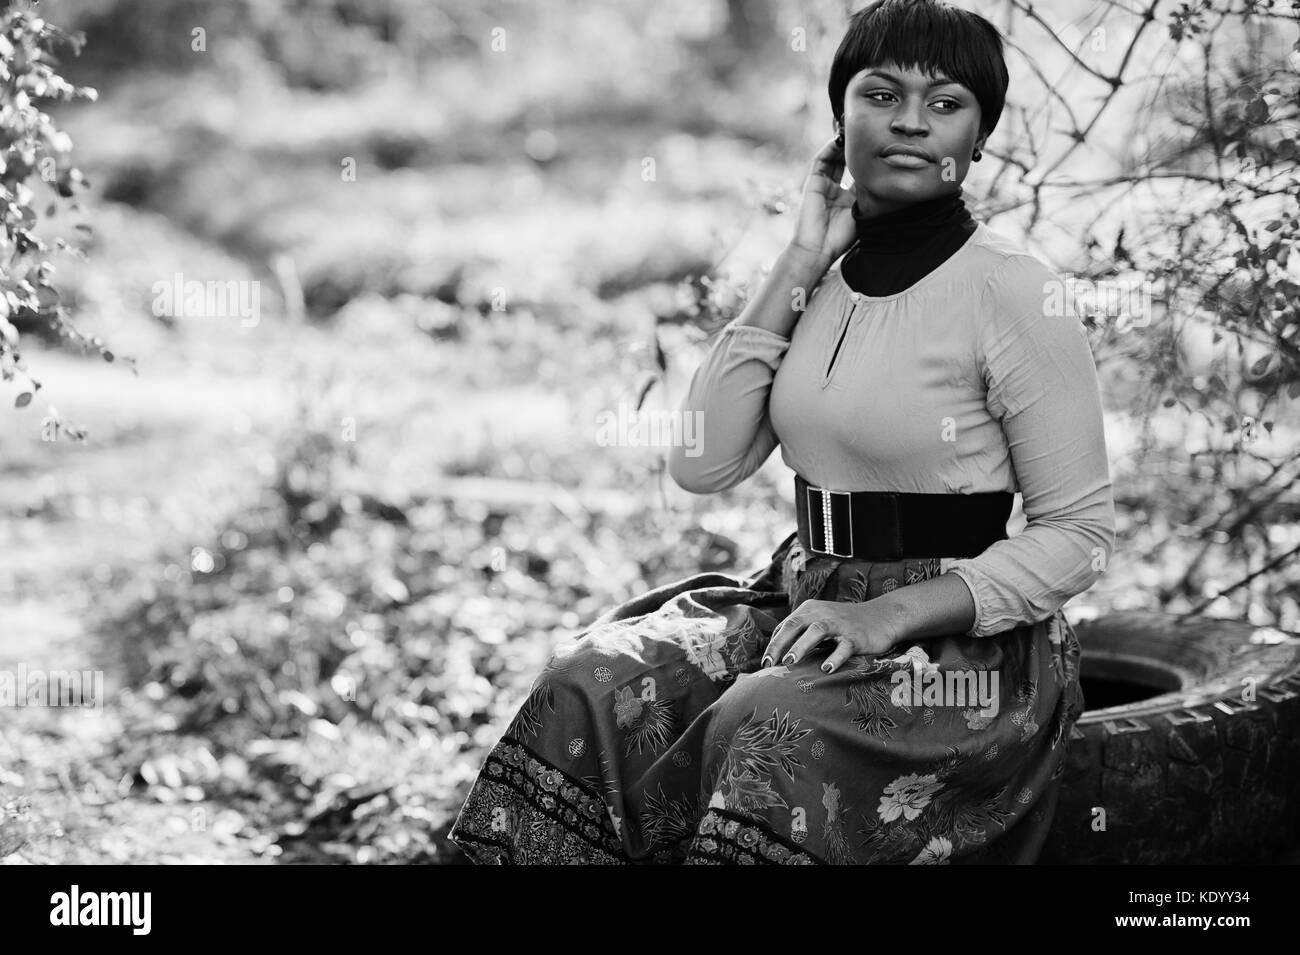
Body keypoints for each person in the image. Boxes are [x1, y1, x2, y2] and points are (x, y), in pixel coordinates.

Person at [448, 0, 1116, 865]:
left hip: (962, 647)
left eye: (946, 103)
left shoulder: (1016, 291)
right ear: (841, 118)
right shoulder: (820, 279)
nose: (912, 121)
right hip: (803, 599)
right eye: (882, 94)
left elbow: (1080, 535)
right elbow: (702, 460)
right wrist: (800, 260)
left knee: (767, 721)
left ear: (979, 137)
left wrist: (890, 617)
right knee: (592, 678)